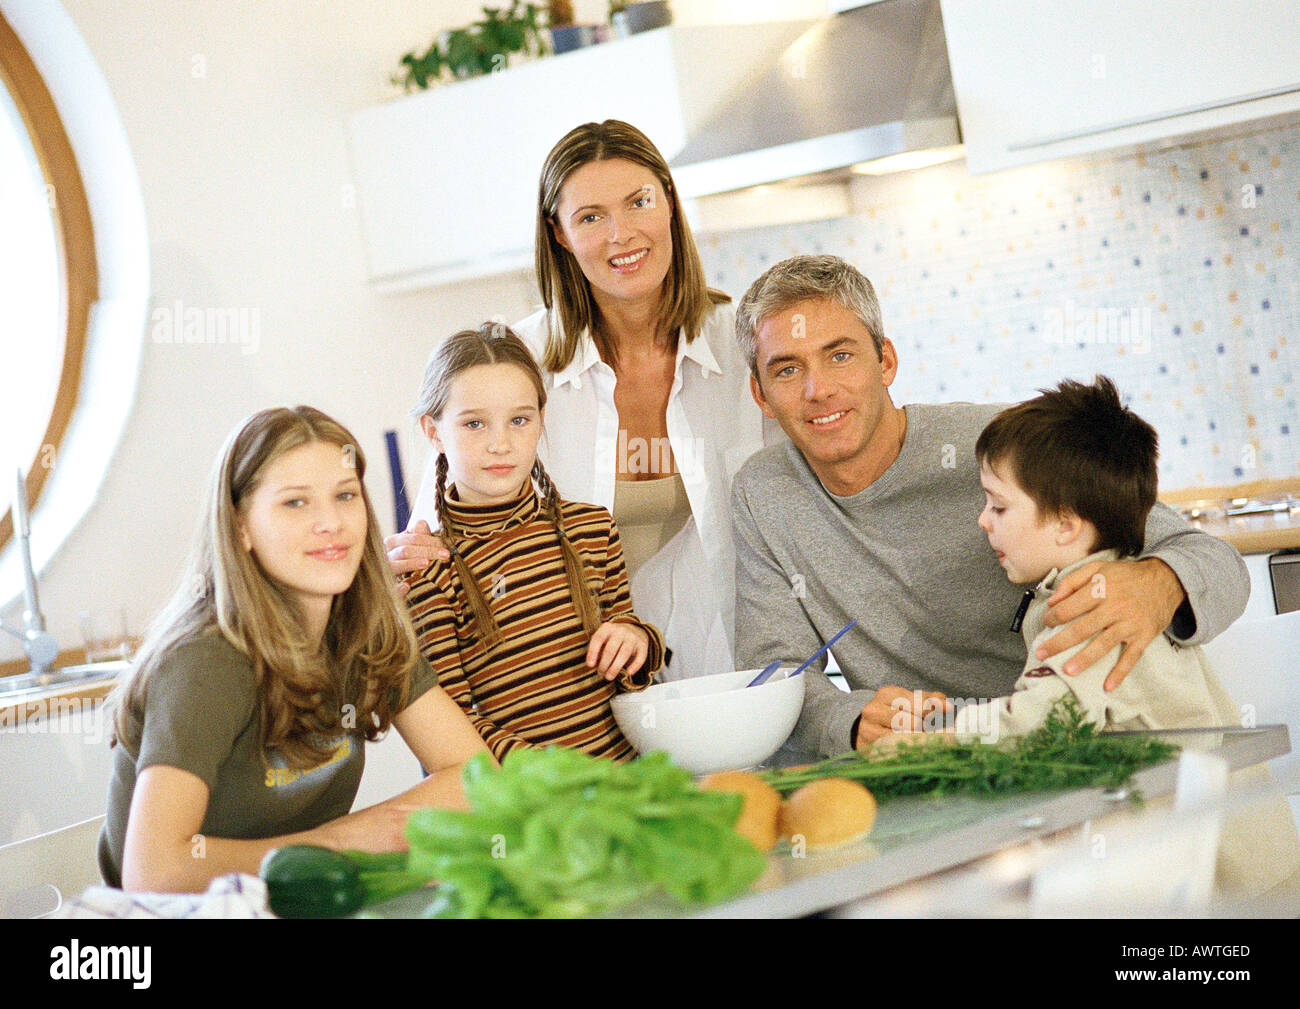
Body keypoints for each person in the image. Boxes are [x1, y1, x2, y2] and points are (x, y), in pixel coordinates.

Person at [729, 254, 1251, 760]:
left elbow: (1215, 561)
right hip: (935, 769)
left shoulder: (1002, 449)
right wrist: (846, 721)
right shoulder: (763, 494)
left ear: (885, 361)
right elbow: (776, 672)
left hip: (1071, 754)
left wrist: (1162, 580)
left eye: (840, 355)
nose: (818, 390)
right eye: (787, 370)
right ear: (759, 393)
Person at [389, 120, 773, 681]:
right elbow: (433, 538)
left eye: (639, 202)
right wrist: (406, 558)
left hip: (719, 682)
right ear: (560, 234)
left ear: (669, 200)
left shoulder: (743, 344)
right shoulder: (512, 363)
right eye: (591, 217)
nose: (622, 235)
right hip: (562, 698)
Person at [100, 407, 489, 893]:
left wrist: (377, 831)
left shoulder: (367, 630)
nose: (330, 522)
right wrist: (341, 840)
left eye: (345, 495)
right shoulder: (206, 661)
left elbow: (477, 778)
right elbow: (154, 872)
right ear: (240, 527)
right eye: (295, 503)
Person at [403, 322, 664, 761]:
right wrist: (555, 778)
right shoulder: (430, 569)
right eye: (474, 424)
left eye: (519, 420)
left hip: (628, 786)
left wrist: (637, 641)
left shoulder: (593, 529)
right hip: (528, 805)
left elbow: (631, 655)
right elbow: (454, 723)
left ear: (541, 419)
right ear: (433, 432)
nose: (500, 443)